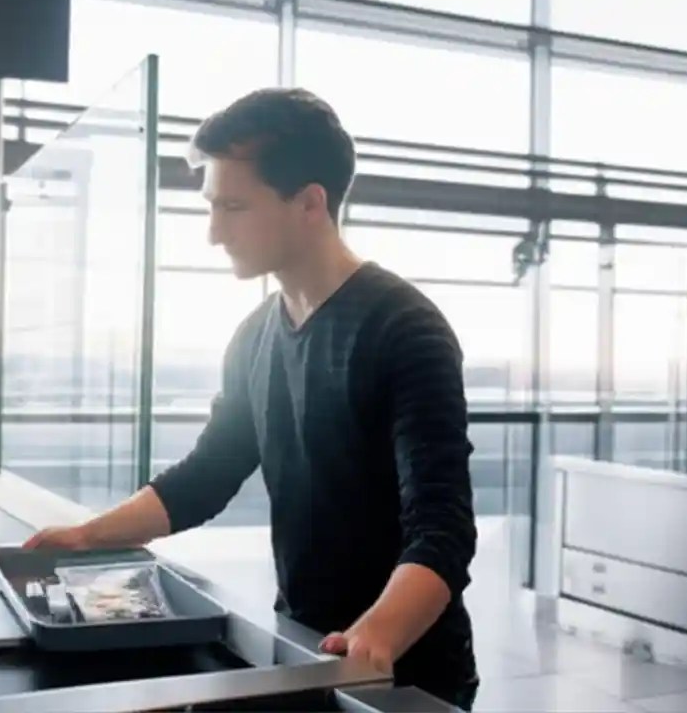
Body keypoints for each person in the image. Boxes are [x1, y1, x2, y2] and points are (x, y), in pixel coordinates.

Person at [24, 88, 480, 710]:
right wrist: (87, 536)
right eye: (211, 206)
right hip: (299, 651)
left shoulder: (406, 330)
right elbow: (207, 476)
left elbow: (442, 530)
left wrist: (375, 638)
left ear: (310, 204)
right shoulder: (255, 335)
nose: (214, 233)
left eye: (233, 207)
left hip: (402, 673)